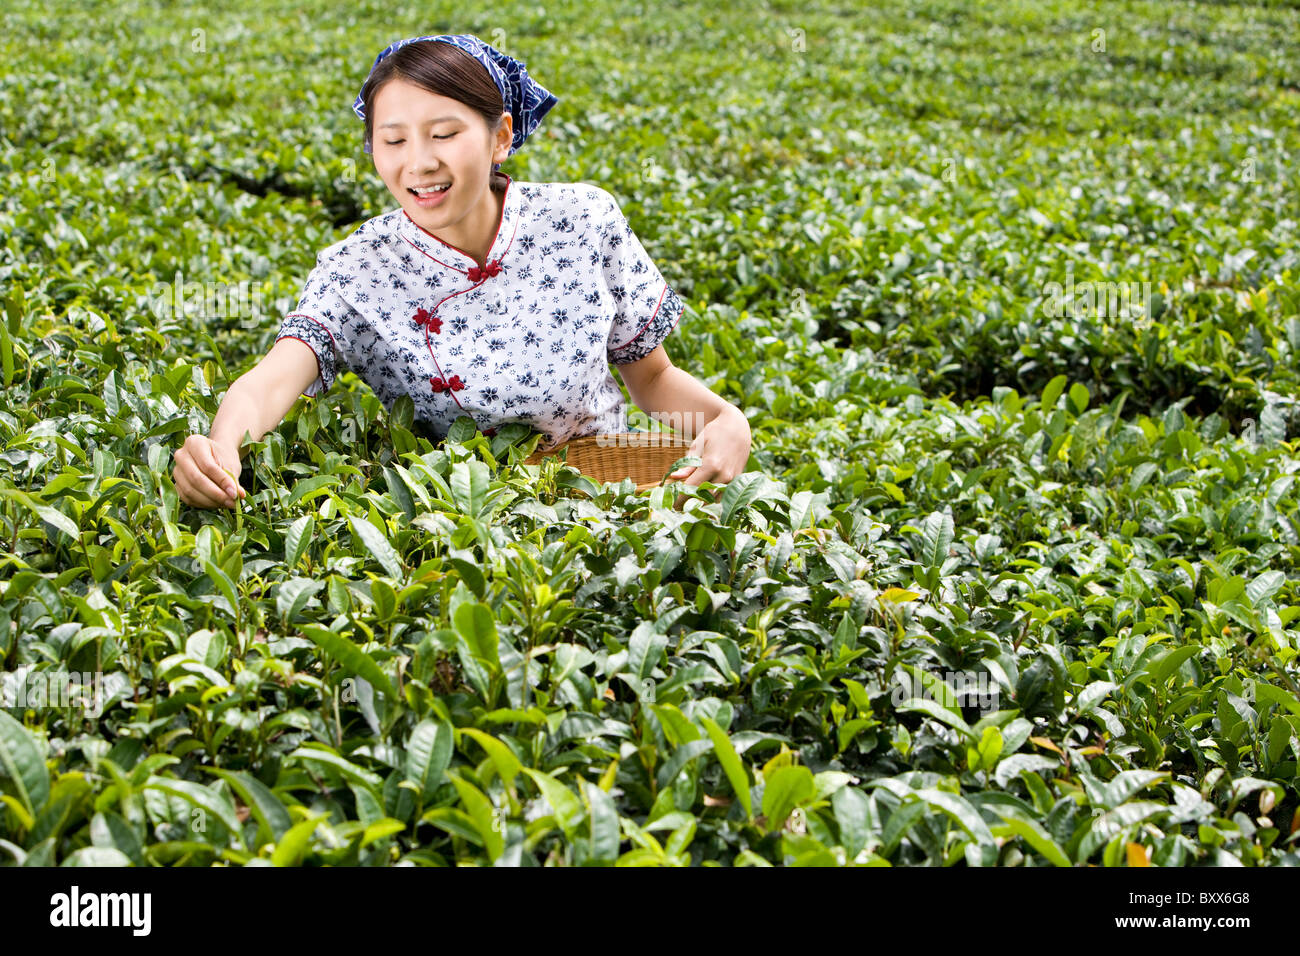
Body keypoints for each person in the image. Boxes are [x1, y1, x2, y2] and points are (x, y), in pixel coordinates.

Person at [172, 33, 751, 511]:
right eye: (392, 140)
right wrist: (219, 447)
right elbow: (271, 380)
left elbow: (650, 379)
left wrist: (727, 421)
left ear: (500, 136)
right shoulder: (358, 267)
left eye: (444, 134)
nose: (419, 162)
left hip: (606, 497)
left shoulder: (581, 219)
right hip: (456, 525)